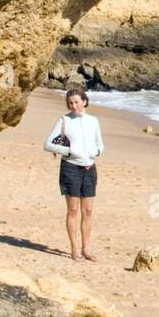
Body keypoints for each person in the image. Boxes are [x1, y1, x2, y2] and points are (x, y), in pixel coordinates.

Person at [43, 86, 104, 262]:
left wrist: (96, 152)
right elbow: (47, 144)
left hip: (89, 169)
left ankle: (86, 249)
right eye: (70, 103)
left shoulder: (93, 121)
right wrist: (67, 150)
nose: (73, 105)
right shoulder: (64, 120)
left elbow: (100, 144)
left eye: (76, 102)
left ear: (84, 102)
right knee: (73, 210)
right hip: (70, 168)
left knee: (88, 211)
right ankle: (75, 249)